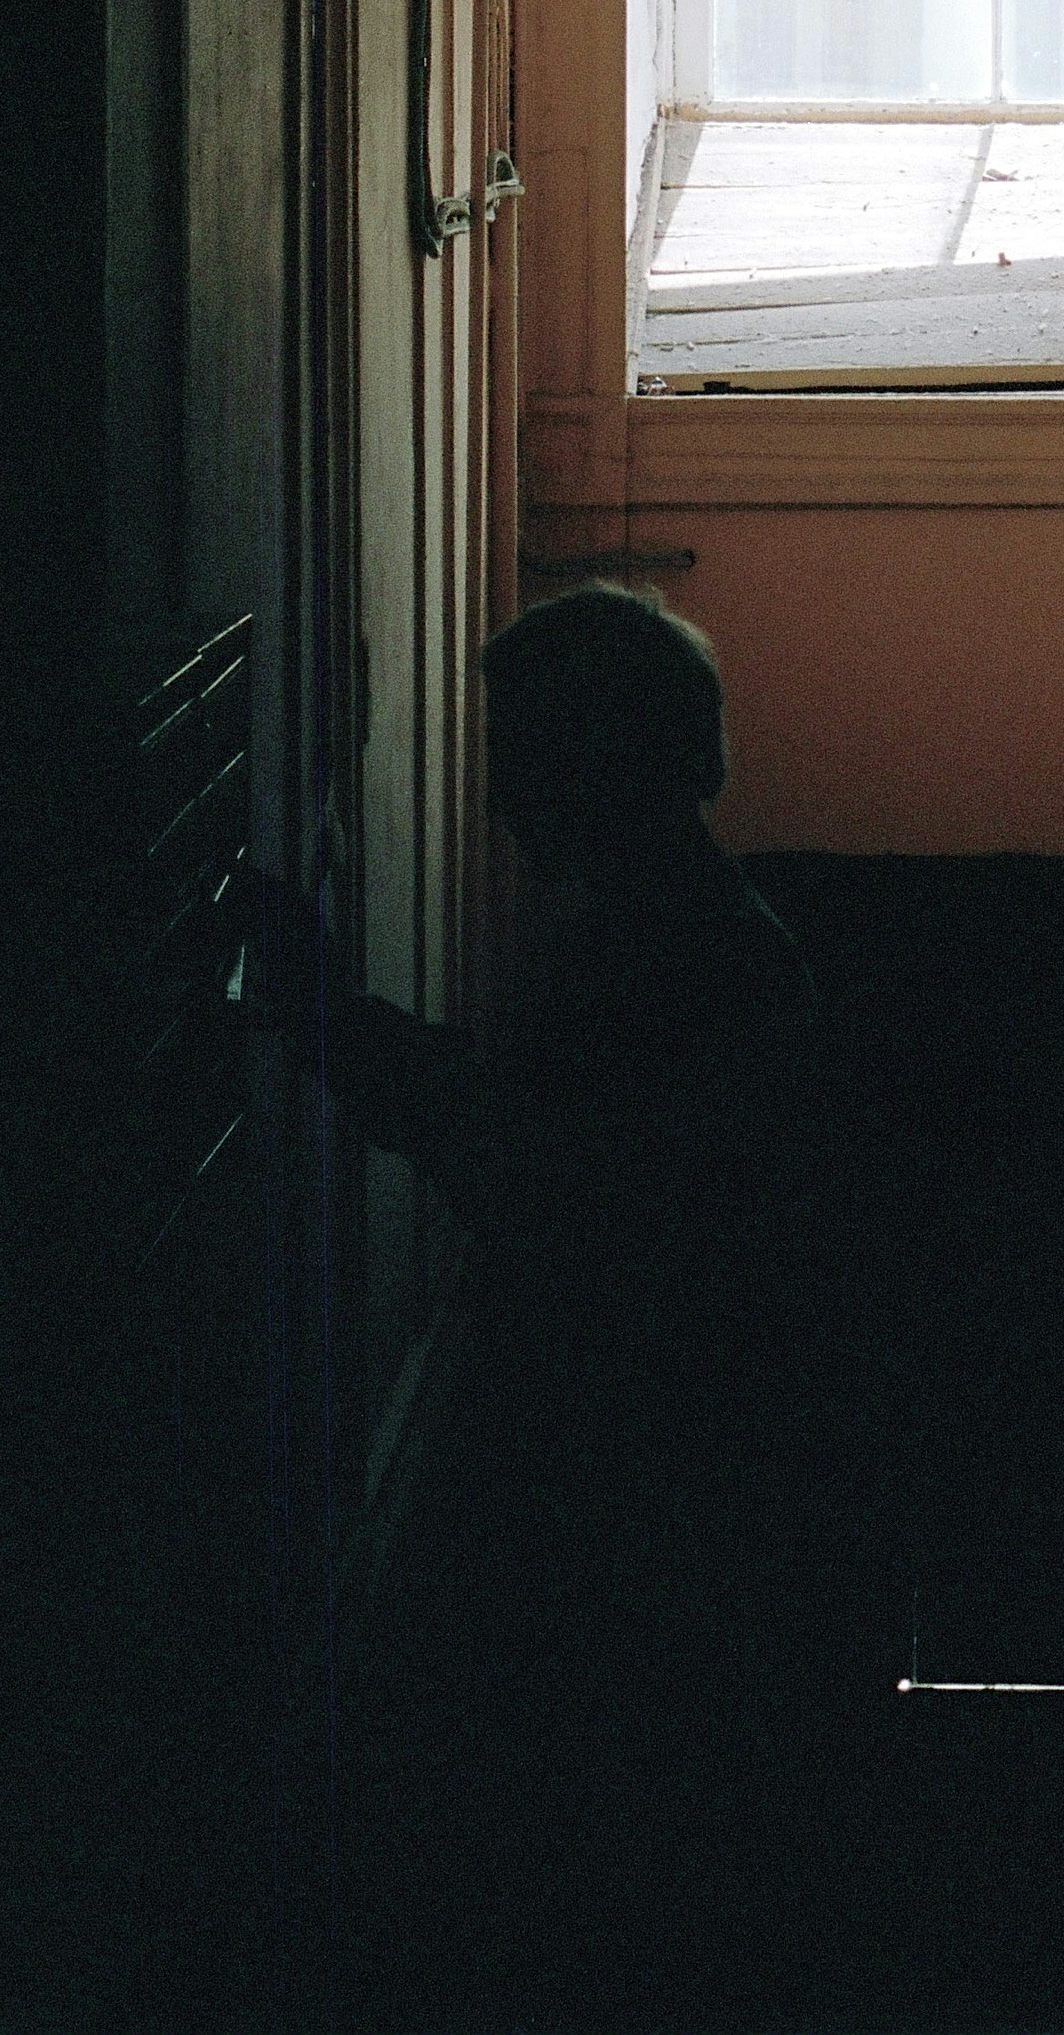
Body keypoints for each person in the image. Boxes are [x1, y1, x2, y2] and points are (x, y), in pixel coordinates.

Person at [245, 587, 876, 2028]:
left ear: (606, 763)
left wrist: (333, 1024)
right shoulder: (689, 938)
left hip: (656, 1485)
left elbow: (544, 1170)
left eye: (527, 755)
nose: (500, 794)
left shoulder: (677, 968)